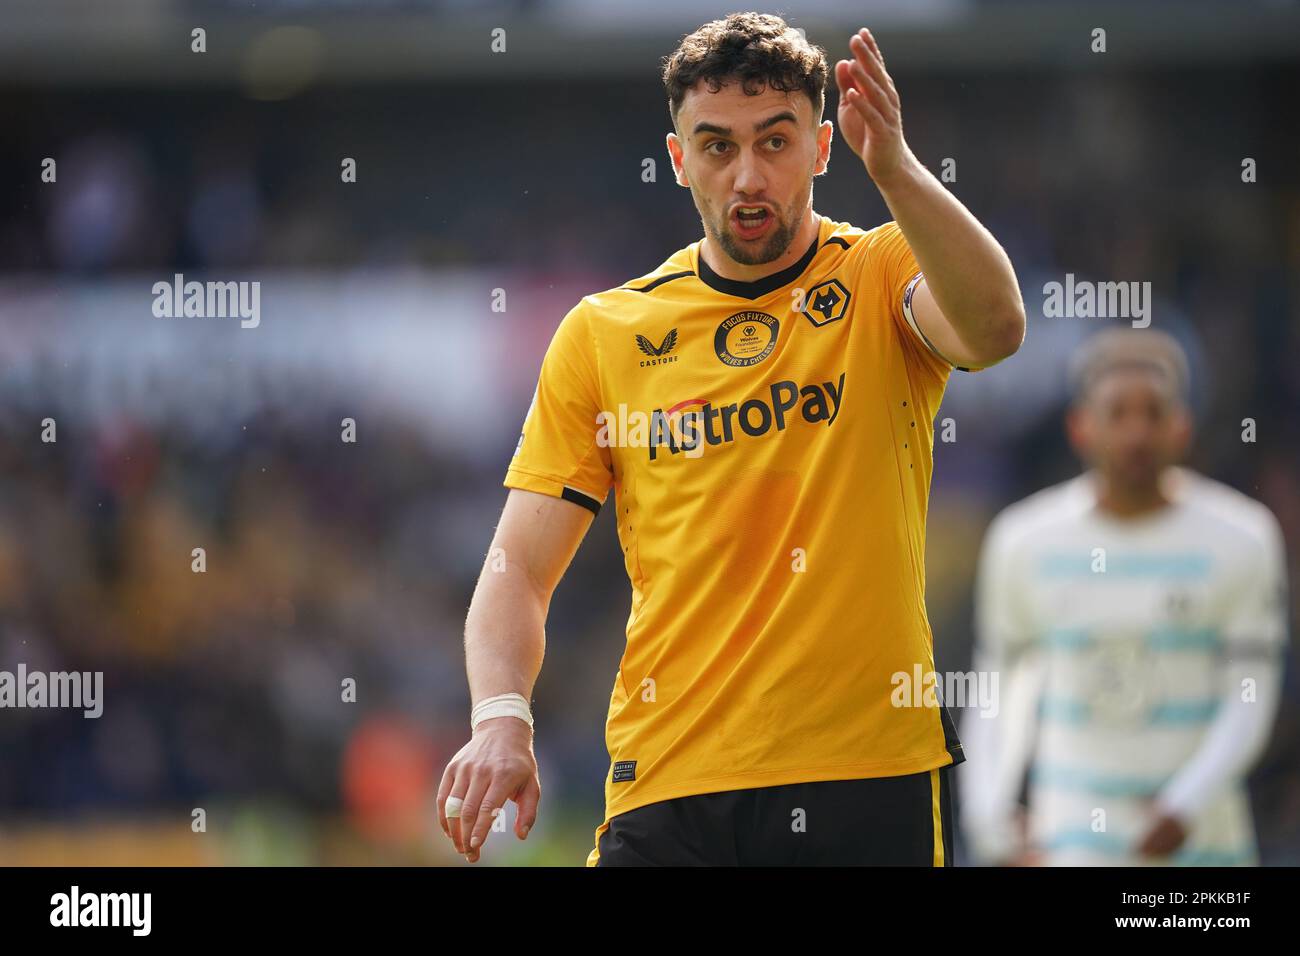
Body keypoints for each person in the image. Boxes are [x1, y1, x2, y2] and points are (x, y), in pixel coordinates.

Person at [441, 12, 1025, 865]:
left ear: (823, 148)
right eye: (716, 147)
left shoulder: (881, 273)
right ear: (680, 160)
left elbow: (996, 326)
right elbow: (517, 570)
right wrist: (500, 717)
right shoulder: (605, 332)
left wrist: (896, 169)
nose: (748, 176)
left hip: (864, 774)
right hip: (670, 779)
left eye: (775, 142)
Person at [960, 327, 1288, 865]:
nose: (1137, 433)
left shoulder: (1243, 538)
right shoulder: (1023, 541)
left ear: (1182, 426)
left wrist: (1185, 805)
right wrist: (990, 820)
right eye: (1118, 413)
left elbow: (1251, 691)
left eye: (1154, 413)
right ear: (1080, 427)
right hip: (1070, 846)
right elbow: (1000, 686)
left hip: (1206, 852)